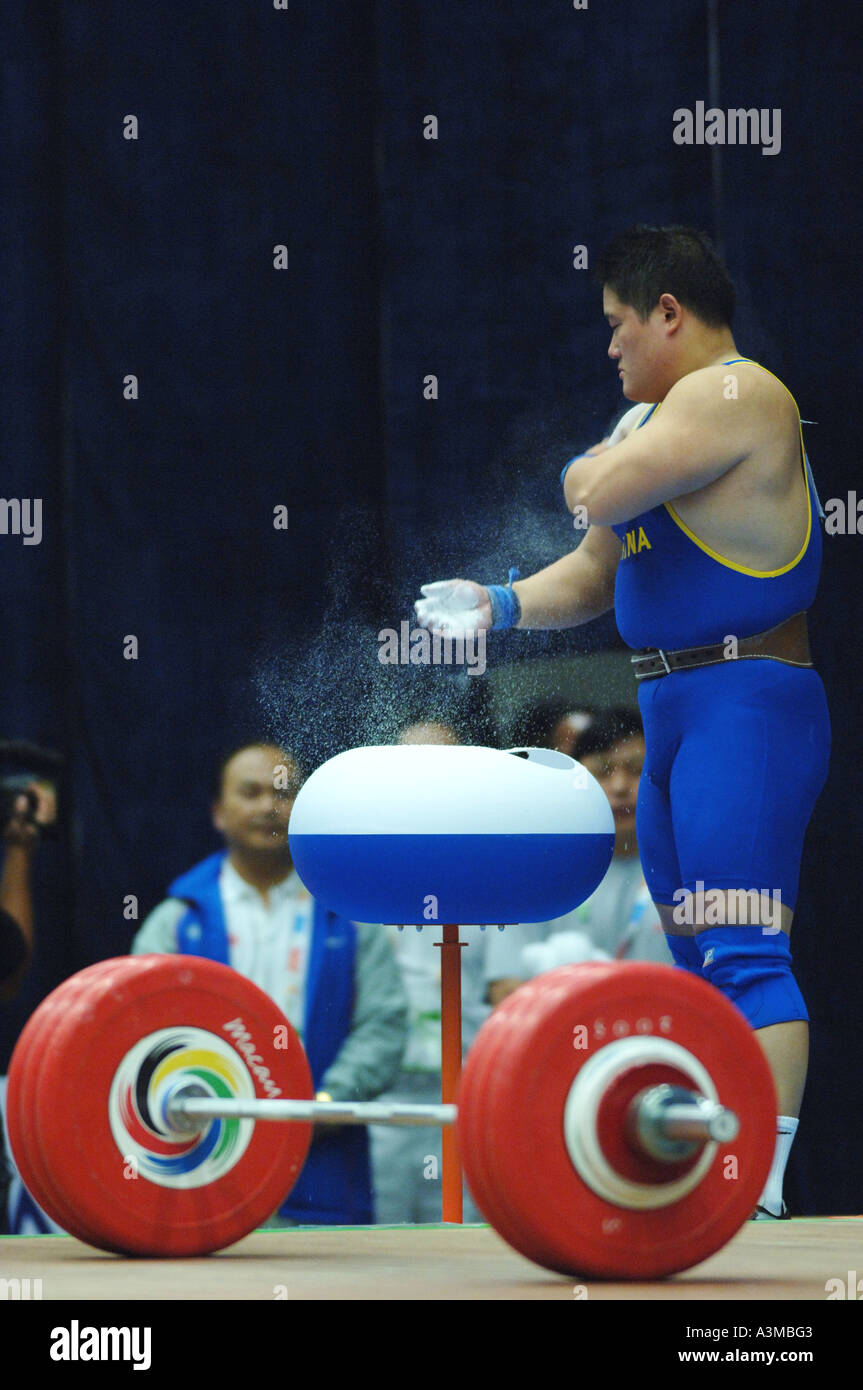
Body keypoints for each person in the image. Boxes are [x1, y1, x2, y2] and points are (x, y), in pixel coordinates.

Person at [414, 224, 830, 1220]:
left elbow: (591, 491)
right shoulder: (650, 424)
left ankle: (756, 1192)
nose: (607, 348)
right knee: (690, 959)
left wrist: (594, 461)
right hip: (672, 704)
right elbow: (597, 569)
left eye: (614, 325)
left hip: (746, 706)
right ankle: (711, 1167)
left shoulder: (737, 394)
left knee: (743, 948)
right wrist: (499, 605)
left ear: (668, 314)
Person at [132, 741, 408, 1225]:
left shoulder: (351, 916)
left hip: (323, 1165)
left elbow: (383, 1024)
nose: (267, 806)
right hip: (199, 1161)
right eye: (250, 792)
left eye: (283, 792)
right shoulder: (177, 920)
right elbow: (137, 1027)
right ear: (219, 813)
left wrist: (324, 1105)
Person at [370, 720, 490, 1223]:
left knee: (469, 1240)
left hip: (473, 1093)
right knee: (382, 1244)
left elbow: (511, 991)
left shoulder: (495, 866)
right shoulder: (360, 864)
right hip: (384, 1096)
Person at [485, 706, 671, 1006]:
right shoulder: (538, 873)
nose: (620, 787)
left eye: (636, 770)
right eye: (602, 771)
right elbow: (507, 991)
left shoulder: (690, 871)